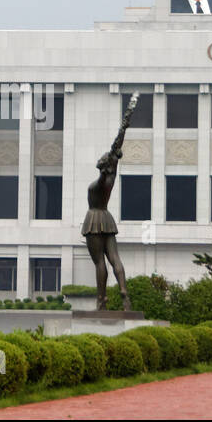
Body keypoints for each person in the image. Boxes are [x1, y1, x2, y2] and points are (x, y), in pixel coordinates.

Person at [82, 94, 137, 311]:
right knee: (115, 259)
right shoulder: (109, 182)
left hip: (95, 219)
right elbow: (115, 150)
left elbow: (113, 154)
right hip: (107, 219)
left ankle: (101, 300)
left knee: (100, 263)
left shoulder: (96, 186)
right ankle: (124, 293)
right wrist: (123, 129)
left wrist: (123, 130)